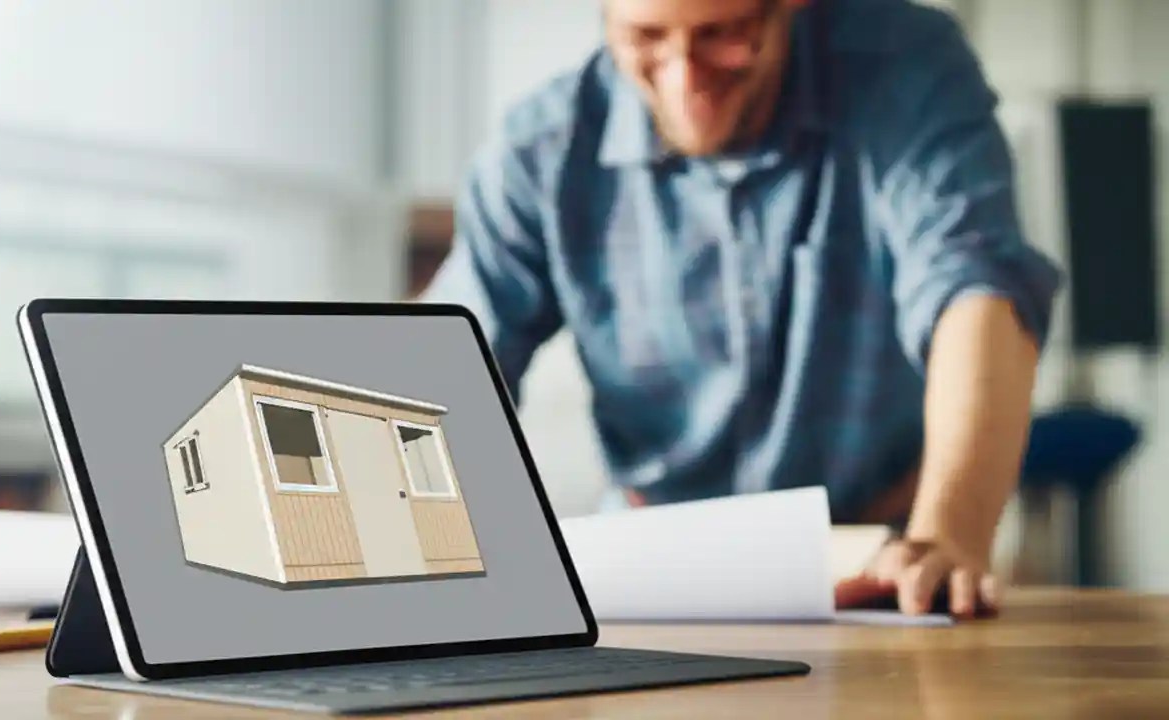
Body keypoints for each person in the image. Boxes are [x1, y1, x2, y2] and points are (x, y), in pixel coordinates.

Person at [424, 0, 1061, 617]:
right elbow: (447, 372)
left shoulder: (906, 67)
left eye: (721, 33)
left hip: (883, 558)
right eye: (646, 36)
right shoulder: (542, 147)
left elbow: (973, 288)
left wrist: (950, 534)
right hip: (654, 566)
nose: (683, 76)